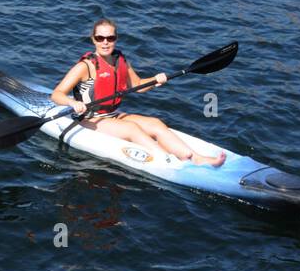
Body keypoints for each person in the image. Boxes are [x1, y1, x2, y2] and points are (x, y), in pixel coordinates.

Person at [49, 19, 225, 167]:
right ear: (93, 40)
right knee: (132, 129)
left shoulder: (120, 60)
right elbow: (56, 95)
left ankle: (195, 157)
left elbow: (138, 85)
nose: (105, 42)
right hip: (88, 119)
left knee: (155, 123)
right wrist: (73, 103)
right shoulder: (85, 67)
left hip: (112, 115)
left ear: (116, 39)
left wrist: (155, 80)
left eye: (110, 38)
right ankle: (170, 162)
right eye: (100, 38)